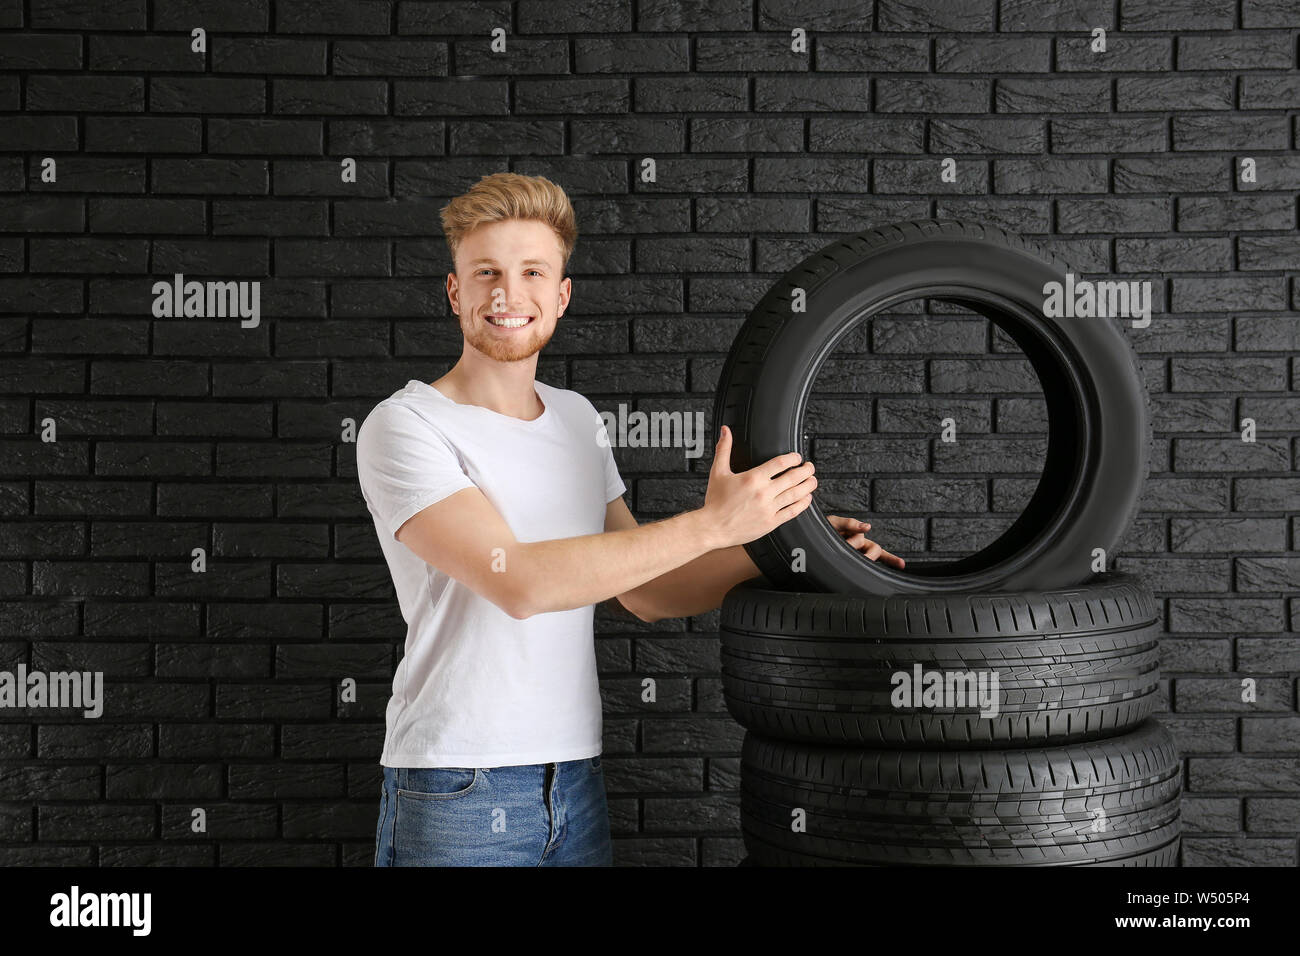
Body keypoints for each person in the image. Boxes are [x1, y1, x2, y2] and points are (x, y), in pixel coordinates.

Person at [357, 172, 904, 867]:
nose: (507, 293)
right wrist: (713, 524)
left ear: (561, 295)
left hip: (574, 776)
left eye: (531, 271)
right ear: (455, 291)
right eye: (485, 272)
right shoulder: (405, 425)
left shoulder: (577, 419)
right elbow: (520, 582)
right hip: (457, 783)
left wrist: (789, 547)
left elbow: (644, 590)